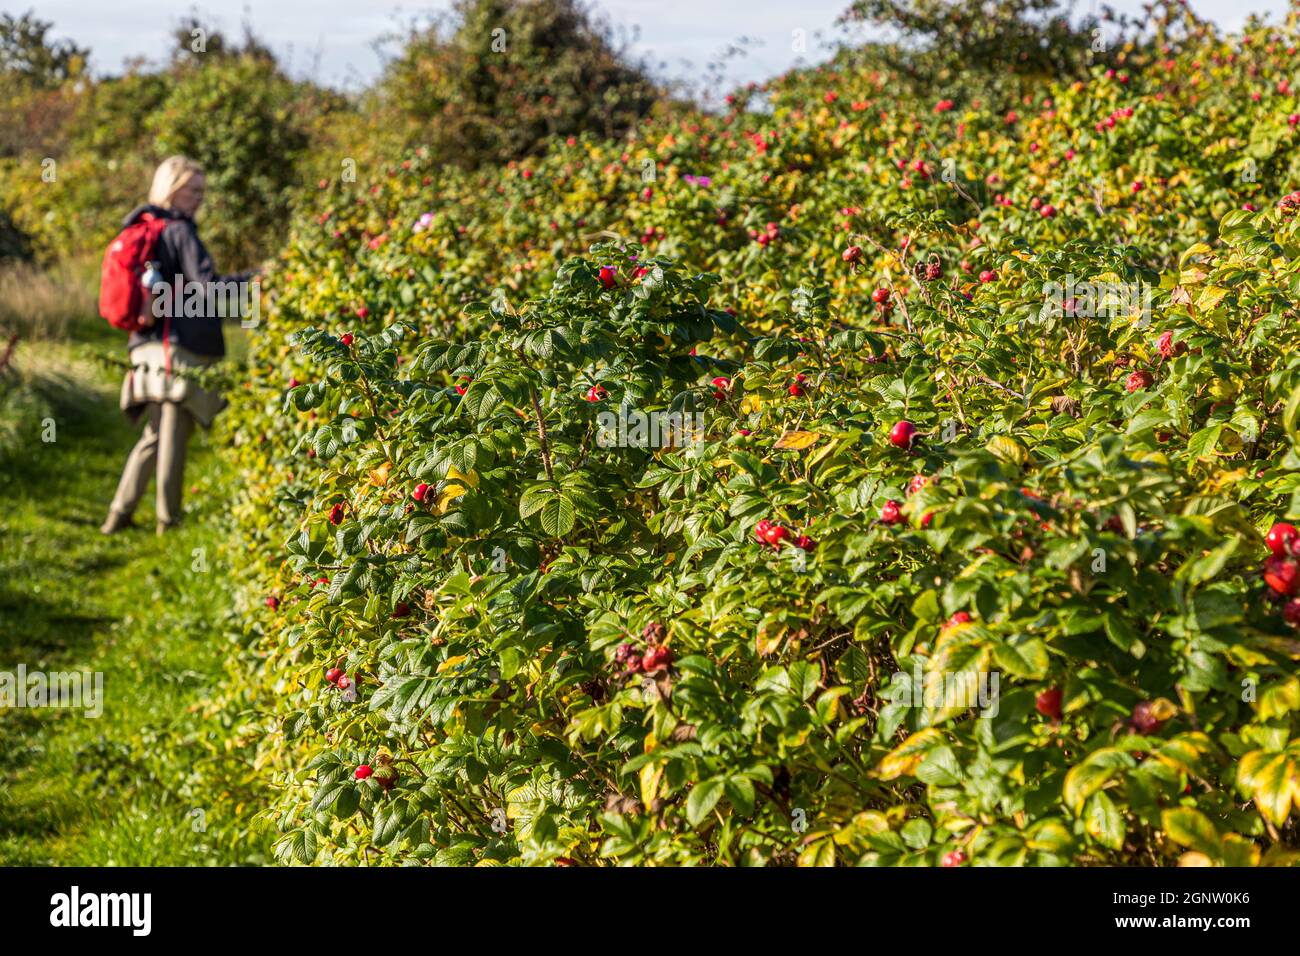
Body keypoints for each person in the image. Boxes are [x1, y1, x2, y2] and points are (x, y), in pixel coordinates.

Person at [100, 156, 253, 535]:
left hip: (145, 346)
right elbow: (208, 286)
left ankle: (118, 515)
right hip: (178, 347)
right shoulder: (181, 231)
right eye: (193, 190)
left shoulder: (142, 227)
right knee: (174, 431)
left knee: (156, 433)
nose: (199, 198)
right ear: (173, 188)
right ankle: (168, 520)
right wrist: (254, 279)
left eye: (202, 190)